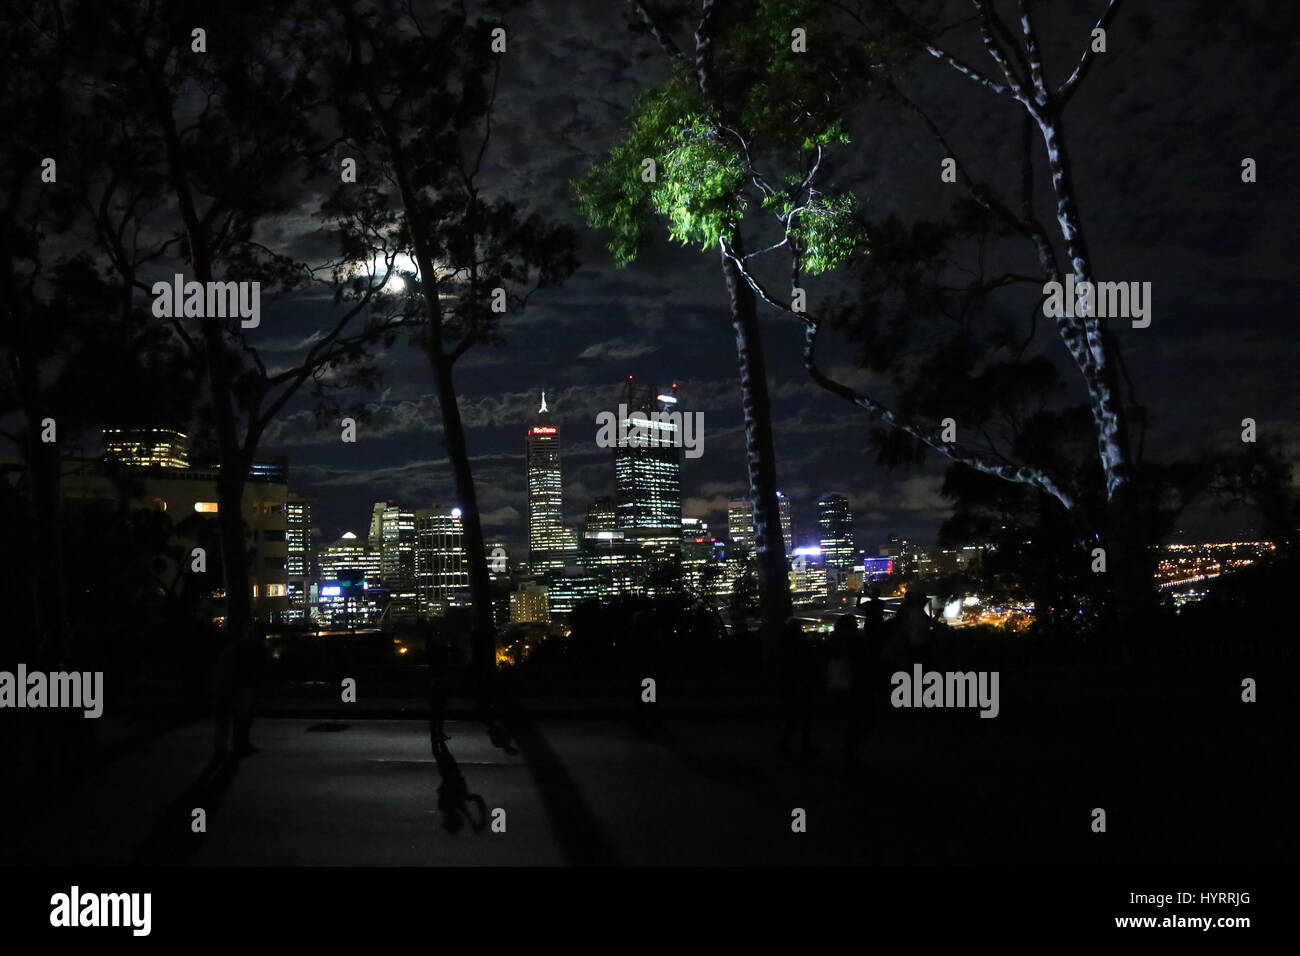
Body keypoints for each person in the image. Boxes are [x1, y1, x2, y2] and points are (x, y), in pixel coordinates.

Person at [779, 618, 819, 755]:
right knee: (805, 717)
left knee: (792, 718)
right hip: (803, 683)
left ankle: (786, 744)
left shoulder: (784, 645)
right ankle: (804, 744)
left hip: (792, 684)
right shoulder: (802, 644)